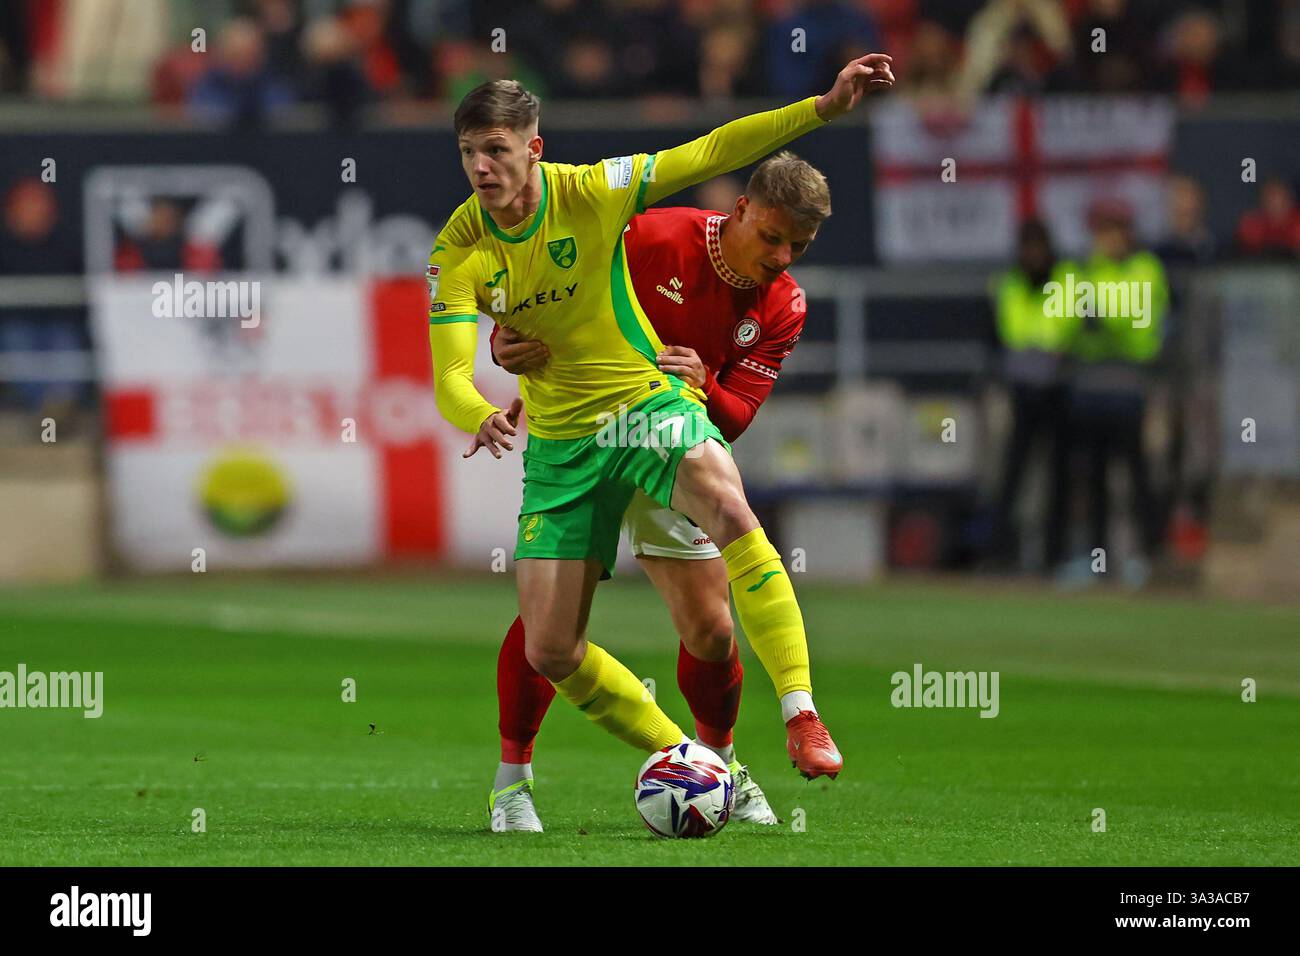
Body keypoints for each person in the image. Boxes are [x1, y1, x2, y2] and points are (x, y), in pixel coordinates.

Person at [426, 57, 894, 830]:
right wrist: (476, 407)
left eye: (499, 149)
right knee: (549, 647)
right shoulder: (458, 250)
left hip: (644, 407)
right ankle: (679, 759)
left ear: (534, 149)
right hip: (565, 439)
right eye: (472, 150)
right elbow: (447, 373)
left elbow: (712, 148)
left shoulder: (598, 192)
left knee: (728, 526)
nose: (483, 166)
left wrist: (821, 105)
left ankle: (801, 711)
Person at [485, 152, 827, 830]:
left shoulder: (783, 303)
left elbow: (737, 416)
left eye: (798, 245)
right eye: (772, 237)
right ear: (742, 212)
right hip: (584, 434)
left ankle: (724, 767)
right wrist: (504, 342)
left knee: (710, 629)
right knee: (547, 630)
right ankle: (512, 780)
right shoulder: (652, 237)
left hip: (671, 436)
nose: (783, 256)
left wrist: (704, 384)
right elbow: (544, 293)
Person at [1059, 200, 1168, 590]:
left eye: (1114, 231)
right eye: (1101, 232)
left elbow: (1141, 323)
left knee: (1136, 478)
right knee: (1094, 481)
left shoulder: (1146, 269)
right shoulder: (1084, 270)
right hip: (1089, 389)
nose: (1107, 240)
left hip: (1129, 388)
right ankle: (1098, 562)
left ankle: (1143, 560)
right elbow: (1065, 321)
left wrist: (1103, 319)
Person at [988, 218, 1077, 574]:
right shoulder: (1010, 283)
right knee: (1012, 477)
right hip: (1023, 393)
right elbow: (1007, 333)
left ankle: (1055, 558)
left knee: (1059, 479)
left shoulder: (1067, 278)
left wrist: (1044, 355)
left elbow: (1063, 330)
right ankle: (1001, 555)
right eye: (1028, 247)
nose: (1034, 255)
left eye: (1039, 247)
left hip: (1058, 392)